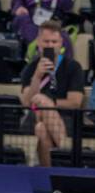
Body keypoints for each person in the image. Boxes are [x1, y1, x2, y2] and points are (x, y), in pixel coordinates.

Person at [19, 19, 85, 166]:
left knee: (41, 128)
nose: (50, 45)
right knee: (39, 106)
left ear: (61, 43)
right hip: (32, 117)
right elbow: (26, 102)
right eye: (46, 41)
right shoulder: (31, 68)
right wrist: (37, 76)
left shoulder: (73, 67)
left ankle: (49, 173)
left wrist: (48, 103)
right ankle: (68, 157)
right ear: (38, 43)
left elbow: (75, 102)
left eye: (54, 42)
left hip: (64, 120)